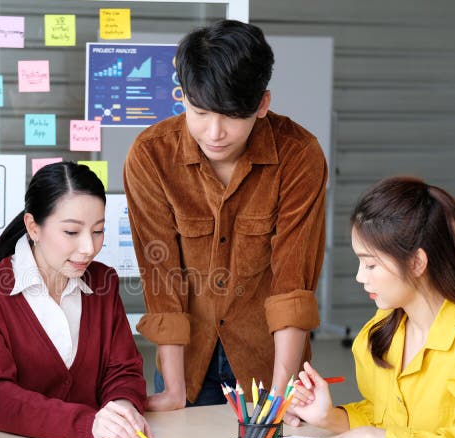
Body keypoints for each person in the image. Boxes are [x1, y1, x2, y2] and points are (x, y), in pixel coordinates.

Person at [123, 19, 328, 412]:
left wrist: (281, 397)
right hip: (187, 362)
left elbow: (293, 284)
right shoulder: (151, 156)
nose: (214, 132)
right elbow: (161, 279)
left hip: (269, 361)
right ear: (182, 96)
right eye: (199, 112)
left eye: (232, 116)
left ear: (262, 104)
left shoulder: (299, 155)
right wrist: (174, 391)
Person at [284, 177, 455, 438]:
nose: (359, 277)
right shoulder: (380, 331)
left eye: (370, 265)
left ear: (417, 262)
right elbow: (387, 417)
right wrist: (329, 417)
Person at [0, 161, 151, 438]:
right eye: (71, 232)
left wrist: (121, 405)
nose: (89, 248)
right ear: (33, 227)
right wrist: (87, 424)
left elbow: (123, 370)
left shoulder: (103, 282)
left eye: (98, 231)